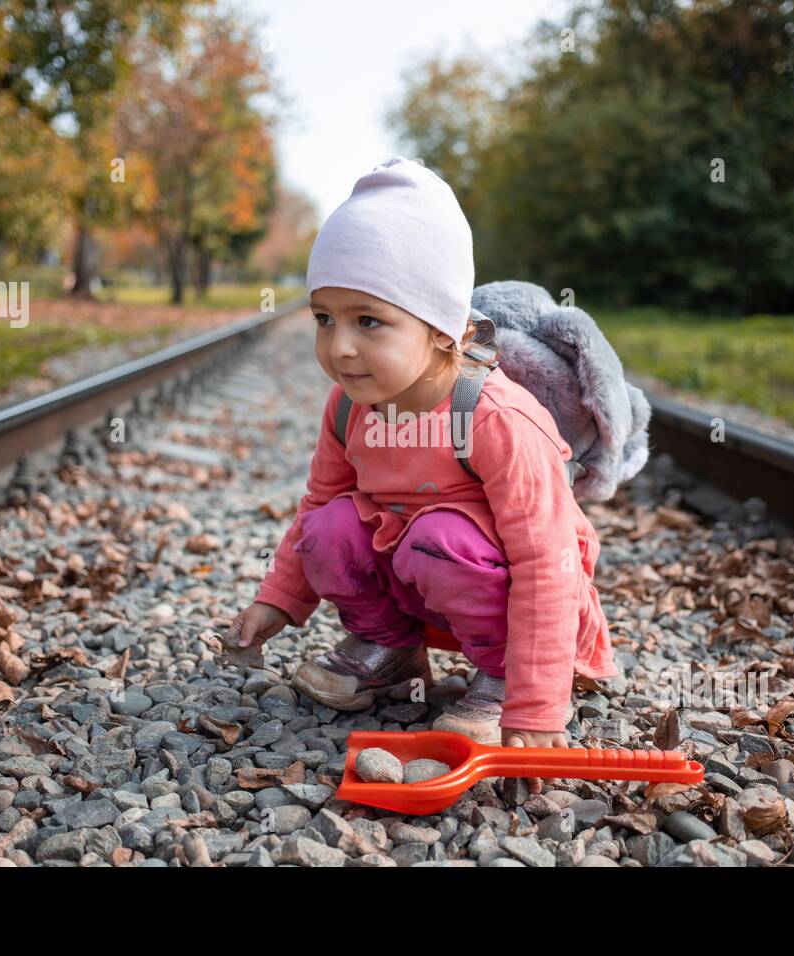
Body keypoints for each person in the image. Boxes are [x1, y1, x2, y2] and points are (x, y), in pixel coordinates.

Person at [226, 156, 617, 779]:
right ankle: (390, 649)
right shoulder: (350, 406)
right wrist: (278, 600)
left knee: (440, 537)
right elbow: (314, 507)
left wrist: (538, 704)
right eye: (324, 318)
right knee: (328, 526)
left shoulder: (493, 418)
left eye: (369, 321)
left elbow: (548, 560)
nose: (339, 346)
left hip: (504, 590)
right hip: (421, 577)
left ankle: (499, 677)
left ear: (444, 330)